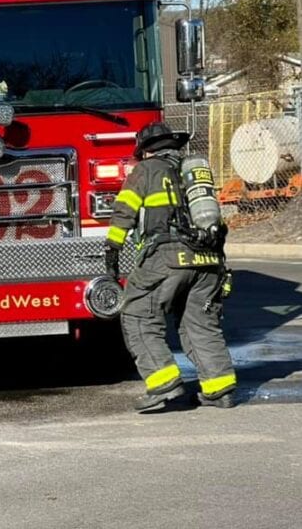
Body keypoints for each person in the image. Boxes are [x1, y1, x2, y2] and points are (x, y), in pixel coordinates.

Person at [104, 122, 236, 412]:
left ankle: (164, 383)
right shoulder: (194, 174)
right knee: (199, 323)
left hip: (167, 256)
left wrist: (112, 249)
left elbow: (124, 210)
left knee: (139, 316)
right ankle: (219, 389)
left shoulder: (146, 170)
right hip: (209, 260)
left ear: (146, 151)